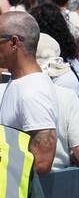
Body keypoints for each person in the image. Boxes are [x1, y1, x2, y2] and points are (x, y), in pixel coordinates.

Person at [0, 12, 58, 174]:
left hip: (19, 197)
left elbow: (42, 161)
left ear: (13, 42)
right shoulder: (19, 82)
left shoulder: (33, 91)